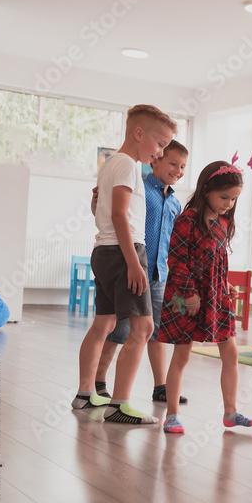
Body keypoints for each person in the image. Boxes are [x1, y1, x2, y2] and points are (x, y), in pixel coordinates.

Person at [73, 104, 177, 425]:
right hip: (123, 252)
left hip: (105, 250)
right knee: (144, 327)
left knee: (103, 323)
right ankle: (119, 404)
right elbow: (119, 215)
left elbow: (104, 214)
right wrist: (134, 263)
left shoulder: (109, 164)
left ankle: (85, 393)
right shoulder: (129, 165)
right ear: (138, 133)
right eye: (159, 144)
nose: (159, 153)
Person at [156, 158, 252, 434]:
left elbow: (216, 260)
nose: (229, 204)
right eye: (224, 197)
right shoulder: (187, 220)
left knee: (231, 353)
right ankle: (172, 414)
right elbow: (177, 262)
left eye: (234, 199)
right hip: (185, 298)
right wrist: (190, 296)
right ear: (205, 192)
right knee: (181, 356)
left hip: (215, 296)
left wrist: (224, 284)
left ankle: (230, 412)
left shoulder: (223, 223)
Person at [90, 140, 189, 404]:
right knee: (119, 330)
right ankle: (99, 381)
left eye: (183, 166)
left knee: (155, 331)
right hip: (133, 268)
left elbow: (175, 242)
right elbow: (111, 214)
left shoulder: (175, 203)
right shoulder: (139, 187)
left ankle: (161, 387)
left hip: (158, 275)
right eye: (172, 163)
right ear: (154, 160)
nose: (178, 170)